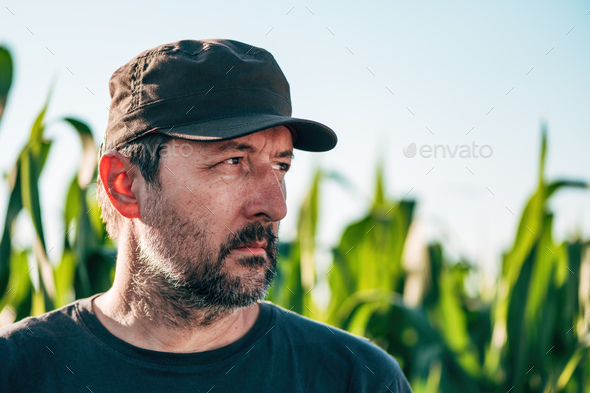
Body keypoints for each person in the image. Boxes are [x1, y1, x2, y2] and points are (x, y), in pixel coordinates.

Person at [0, 39, 412, 392]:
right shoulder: (18, 370)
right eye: (233, 161)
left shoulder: (355, 379)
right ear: (124, 184)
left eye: (281, 165)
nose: (276, 206)